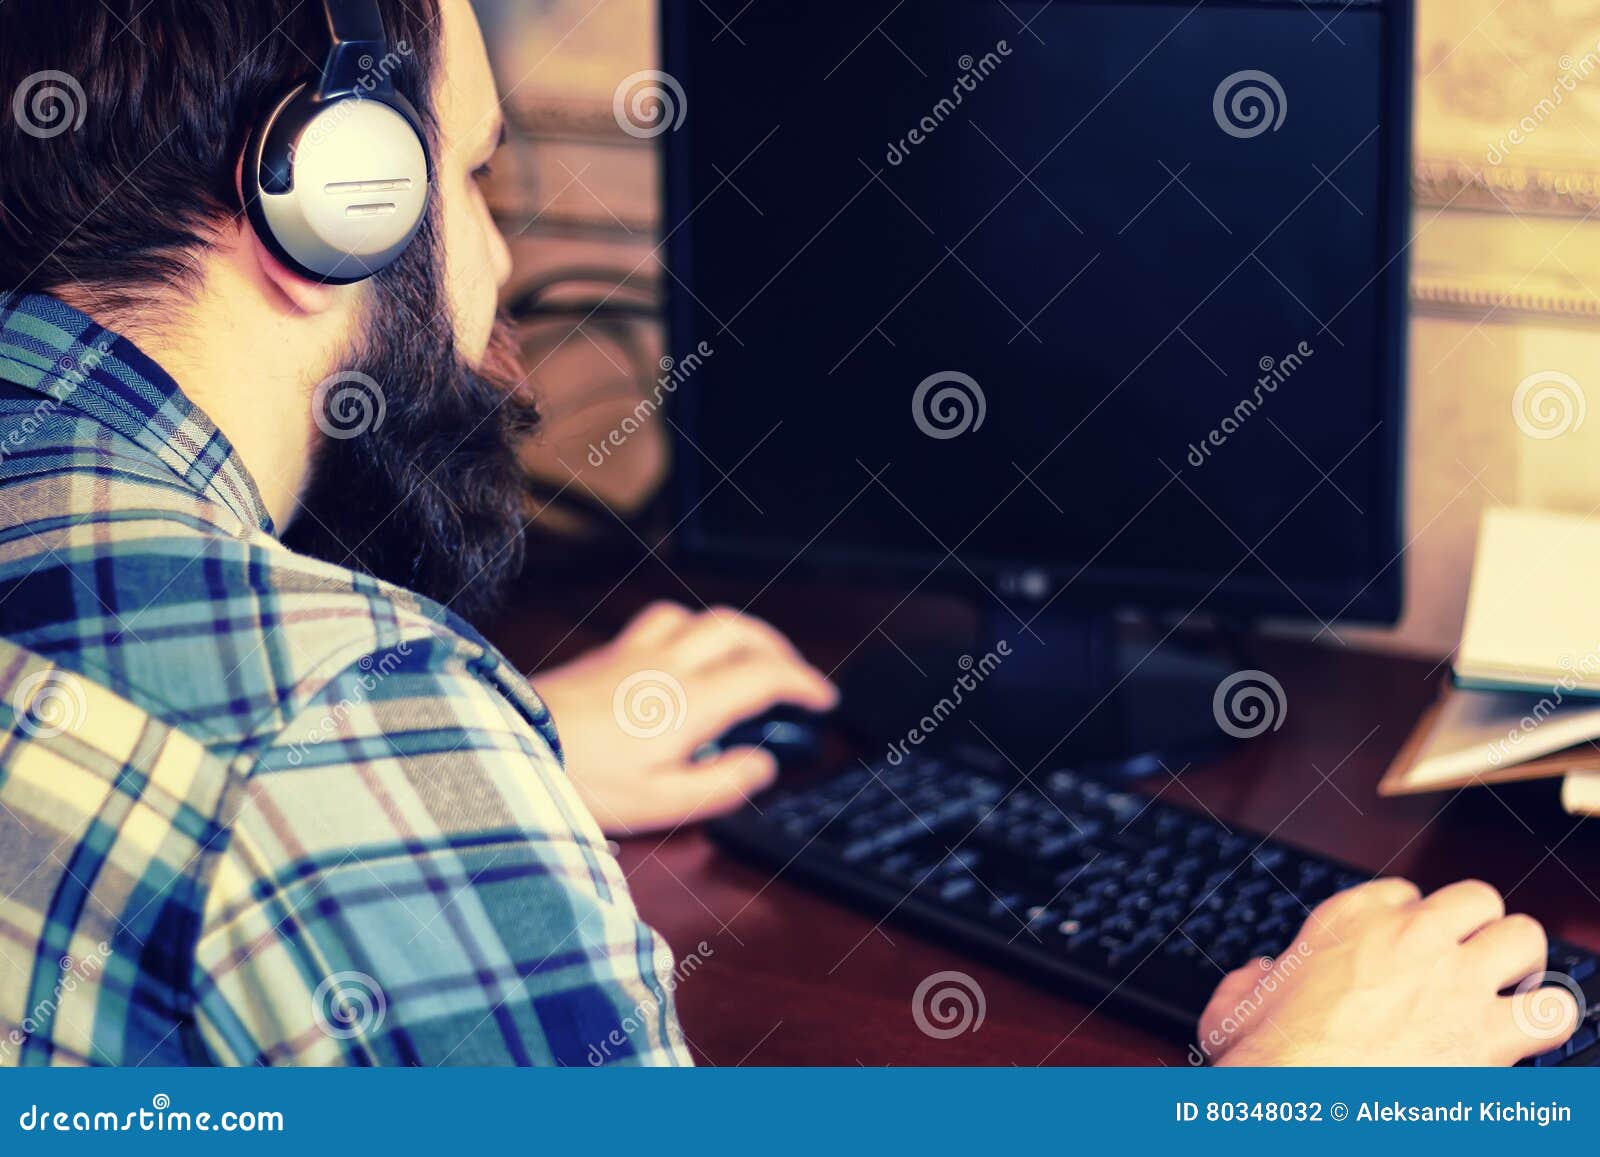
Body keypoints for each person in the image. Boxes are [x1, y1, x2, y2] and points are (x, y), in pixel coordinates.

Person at [0, 0, 1576, 1068]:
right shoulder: (347, 730)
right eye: (473, 176)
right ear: (329, 202)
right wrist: (1301, 1085)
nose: (495, 260)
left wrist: (495, 762)